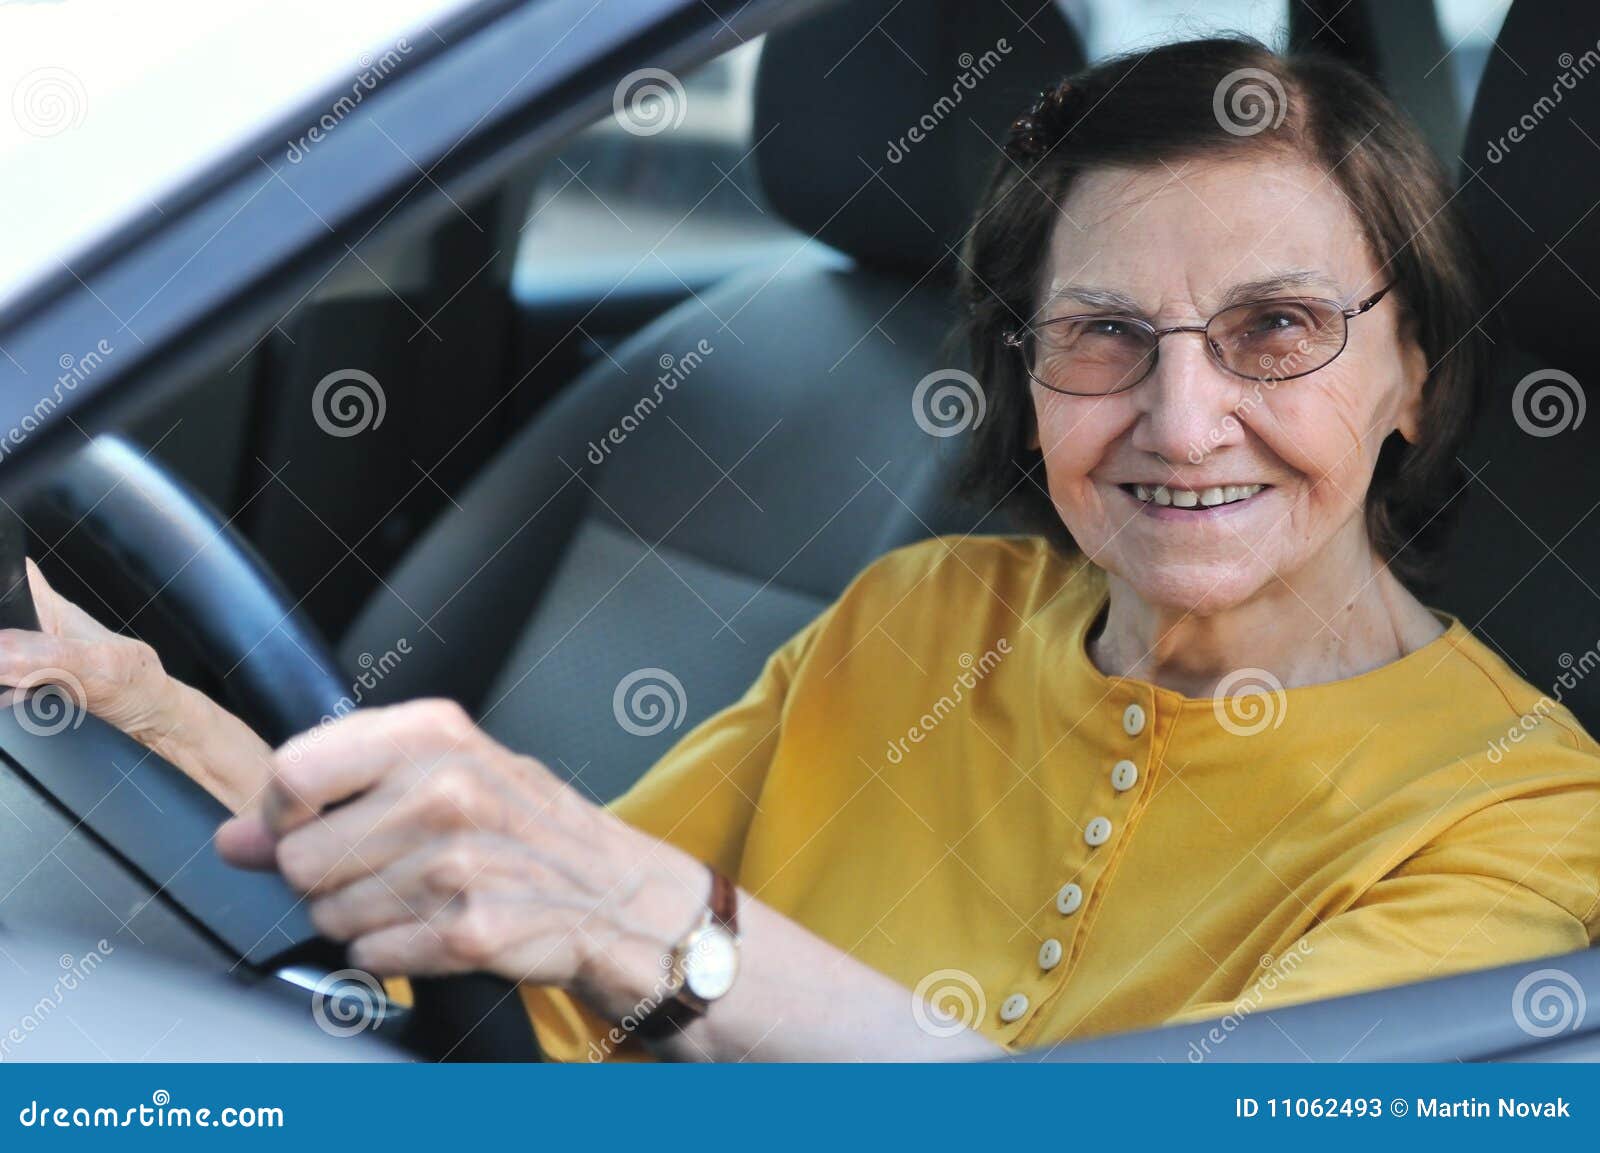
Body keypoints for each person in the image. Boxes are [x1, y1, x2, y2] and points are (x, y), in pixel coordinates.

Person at [7, 37, 1598, 1061]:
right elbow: (532, 956)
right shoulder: (922, 611)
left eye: (1278, 330)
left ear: (1418, 374)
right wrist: (145, 713)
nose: (1184, 422)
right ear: (1028, 373)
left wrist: (675, 939)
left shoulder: (1527, 813)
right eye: (1103, 335)